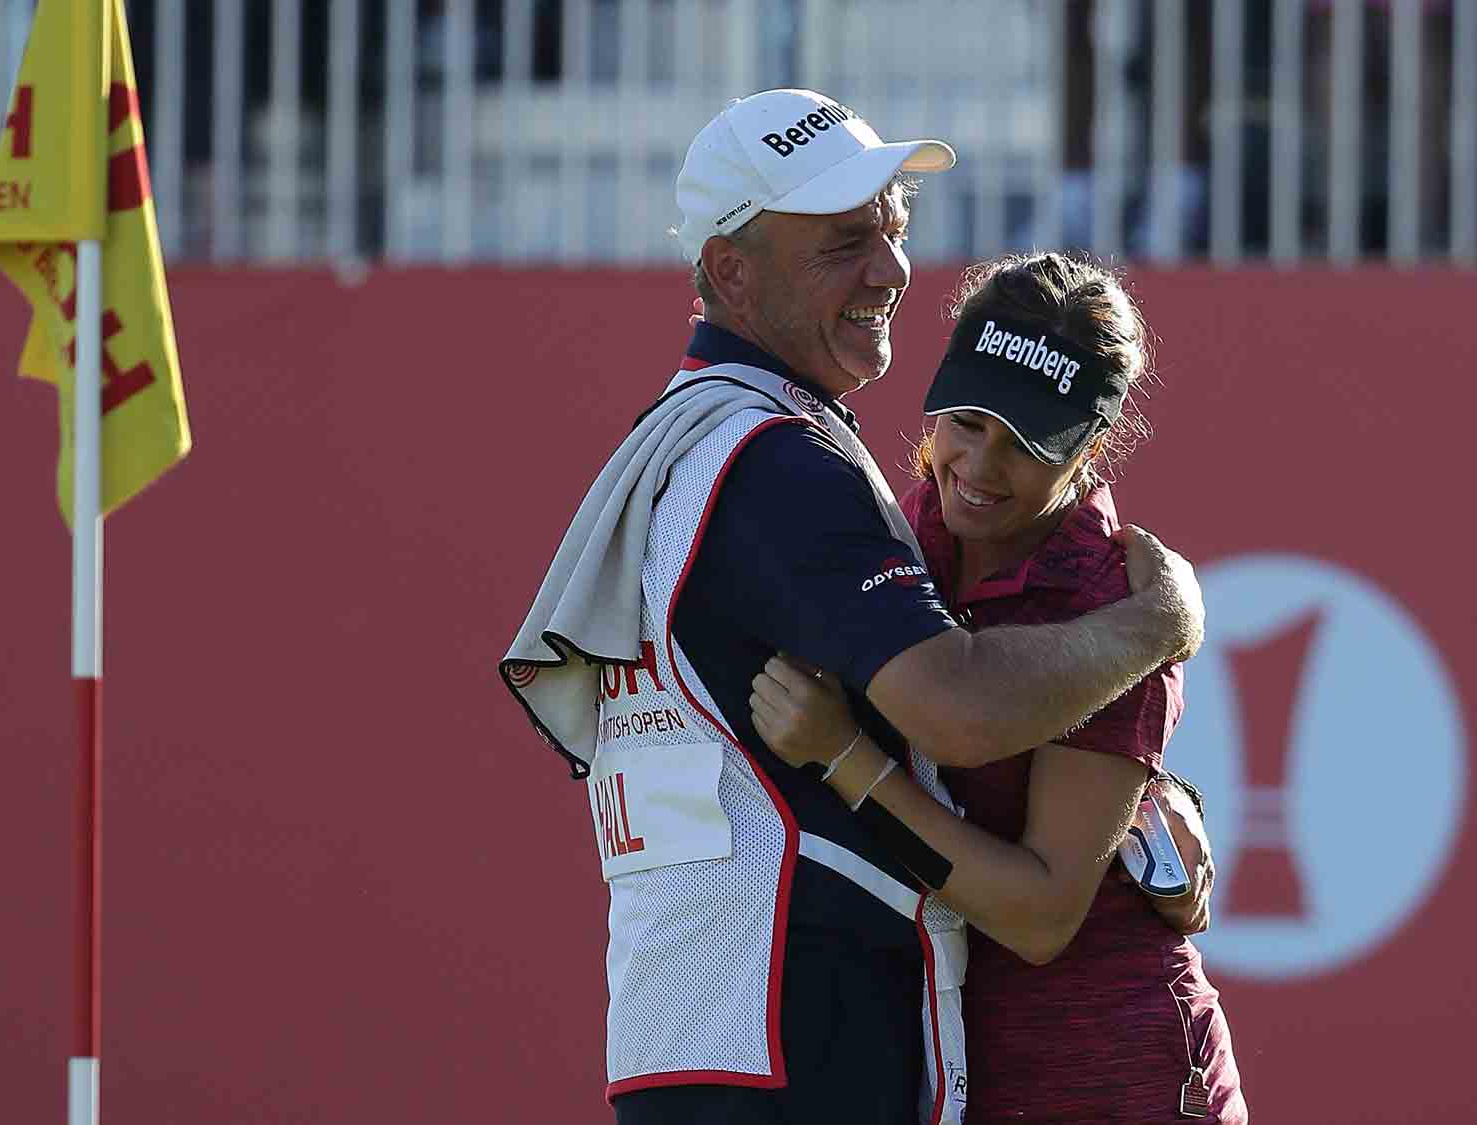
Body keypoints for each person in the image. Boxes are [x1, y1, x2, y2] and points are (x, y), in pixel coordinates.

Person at [497, 89, 1208, 1125]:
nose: (888, 270)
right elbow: (960, 711)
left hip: (703, 1023)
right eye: (841, 244)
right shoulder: (780, 463)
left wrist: (1143, 788)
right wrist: (1160, 624)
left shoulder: (700, 435)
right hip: (793, 1030)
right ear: (729, 271)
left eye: (893, 229)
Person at [749, 251, 1247, 1123]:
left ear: (1091, 447)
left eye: (1024, 445)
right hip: (948, 1072)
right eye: (969, 421)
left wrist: (845, 757)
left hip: (1120, 1083)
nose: (979, 466)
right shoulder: (895, 531)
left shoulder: (1112, 596)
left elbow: (1039, 914)